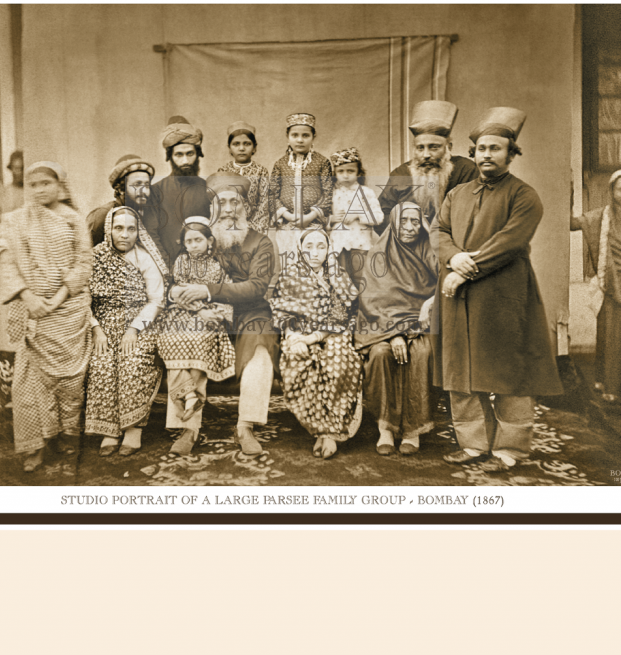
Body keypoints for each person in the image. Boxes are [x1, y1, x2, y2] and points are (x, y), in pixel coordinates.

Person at [432, 107, 562, 473]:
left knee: (510, 374)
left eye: (496, 148)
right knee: (460, 374)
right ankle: (472, 444)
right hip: (459, 299)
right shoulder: (456, 194)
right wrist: (454, 259)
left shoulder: (524, 196)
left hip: (505, 297)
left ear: (510, 153)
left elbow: (511, 241)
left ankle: (511, 448)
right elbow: (438, 233)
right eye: (481, 149)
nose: (487, 154)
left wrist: (465, 270)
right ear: (472, 154)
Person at [0, 161, 93, 473]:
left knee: (72, 382)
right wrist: (29, 297)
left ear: (60, 185)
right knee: (30, 384)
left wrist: (60, 297)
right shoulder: (13, 221)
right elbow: (5, 261)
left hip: (68, 312)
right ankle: (36, 444)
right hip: (33, 312)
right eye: (32, 185)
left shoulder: (74, 219)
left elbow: (84, 262)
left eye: (46, 183)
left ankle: (68, 437)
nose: (39, 190)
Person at [174, 172, 278, 455]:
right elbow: (181, 279)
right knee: (187, 335)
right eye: (223, 203)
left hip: (249, 312)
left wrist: (207, 289)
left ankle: (245, 425)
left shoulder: (261, 243)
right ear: (213, 209)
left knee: (260, 345)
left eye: (236, 202)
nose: (229, 209)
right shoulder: (203, 240)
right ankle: (188, 427)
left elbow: (257, 287)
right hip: (205, 312)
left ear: (245, 207)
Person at [271, 229, 362, 460]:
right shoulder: (290, 274)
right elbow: (283, 311)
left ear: (328, 248)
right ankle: (318, 428)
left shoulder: (338, 275)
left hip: (333, 333)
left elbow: (345, 313)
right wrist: (293, 338)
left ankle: (330, 432)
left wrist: (314, 338)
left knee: (339, 360)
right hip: (299, 333)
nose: (314, 252)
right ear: (300, 248)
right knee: (298, 362)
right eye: (309, 246)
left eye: (320, 246)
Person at [355, 202, 437, 456]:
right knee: (380, 355)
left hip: (420, 326)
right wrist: (394, 334)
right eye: (404, 221)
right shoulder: (378, 254)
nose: (410, 228)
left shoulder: (427, 249)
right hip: (381, 328)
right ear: (393, 223)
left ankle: (413, 429)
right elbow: (372, 300)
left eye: (416, 222)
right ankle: (385, 428)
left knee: (422, 354)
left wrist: (430, 234)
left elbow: (442, 278)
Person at [84, 206, 165, 457]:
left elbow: (156, 300)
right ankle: (109, 430)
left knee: (133, 361)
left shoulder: (144, 257)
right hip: (103, 323)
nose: (125, 235)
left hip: (140, 322)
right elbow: (81, 299)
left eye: (131, 229)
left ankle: (133, 429)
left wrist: (133, 329)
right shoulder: (94, 258)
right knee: (102, 362)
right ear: (109, 229)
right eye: (118, 228)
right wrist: (97, 329)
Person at [158, 217, 236, 455]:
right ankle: (190, 396)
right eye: (188, 241)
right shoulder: (181, 262)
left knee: (199, 339)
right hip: (182, 314)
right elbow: (178, 292)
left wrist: (216, 314)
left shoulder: (218, 265)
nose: (192, 245)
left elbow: (227, 293)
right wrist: (198, 309)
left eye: (197, 240)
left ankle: (190, 413)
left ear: (209, 241)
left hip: (209, 317)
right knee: (173, 338)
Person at [571, 169, 621, 408]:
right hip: (614, 289)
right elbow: (572, 223)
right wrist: (565, 189)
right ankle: (615, 389)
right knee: (615, 339)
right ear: (612, 192)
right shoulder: (602, 217)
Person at [378, 100, 478, 228]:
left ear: (449, 147)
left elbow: (476, 216)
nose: (426, 155)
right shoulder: (401, 173)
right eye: (420, 148)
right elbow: (381, 214)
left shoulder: (466, 170)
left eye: (434, 147)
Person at [266, 112, 334, 256]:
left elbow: (328, 193)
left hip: (313, 224)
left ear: (313, 137)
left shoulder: (322, 162)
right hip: (287, 226)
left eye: (305, 136)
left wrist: (310, 216)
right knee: (289, 262)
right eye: (295, 135)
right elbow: (272, 194)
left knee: (313, 259)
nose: (300, 140)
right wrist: (287, 215)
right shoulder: (280, 164)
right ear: (288, 137)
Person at [86, 155, 169, 272]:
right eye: (137, 185)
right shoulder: (102, 216)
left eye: (147, 185)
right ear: (121, 188)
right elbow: (82, 258)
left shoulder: (145, 216)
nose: (144, 191)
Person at [147, 117, 212, 265]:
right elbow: (152, 235)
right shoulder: (155, 192)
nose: (185, 161)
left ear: (198, 154)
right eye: (179, 155)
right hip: (166, 266)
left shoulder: (209, 189)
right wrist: (168, 267)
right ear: (170, 156)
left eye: (190, 154)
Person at [328, 146, 383, 293]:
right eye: (341, 171)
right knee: (339, 277)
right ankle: (343, 310)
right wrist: (332, 219)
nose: (345, 175)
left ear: (358, 172)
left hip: (360, 244)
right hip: (338, 244)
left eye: (350, 171)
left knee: (360, 277)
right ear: (335, 173)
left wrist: (359, 215)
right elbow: (323, 220)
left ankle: (362, 310)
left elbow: (378, 217)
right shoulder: (332, 195)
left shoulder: (366, 193)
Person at [216, 121, 271, 233]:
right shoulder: (223, 171)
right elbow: (219, 203)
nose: (241, 148)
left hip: (253, 228)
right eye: (236, 144)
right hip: (228, 227)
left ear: (254, 147)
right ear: (229, 148)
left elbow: (264, 203)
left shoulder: (261, 171)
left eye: (247, 143)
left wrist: (253, 229)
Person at [0, 150, 25, 288]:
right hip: (9, 249)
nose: (19, 172)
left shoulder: (34, 192)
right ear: (11, 169)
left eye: (22, 168)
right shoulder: (2, 193)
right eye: (16, 168)